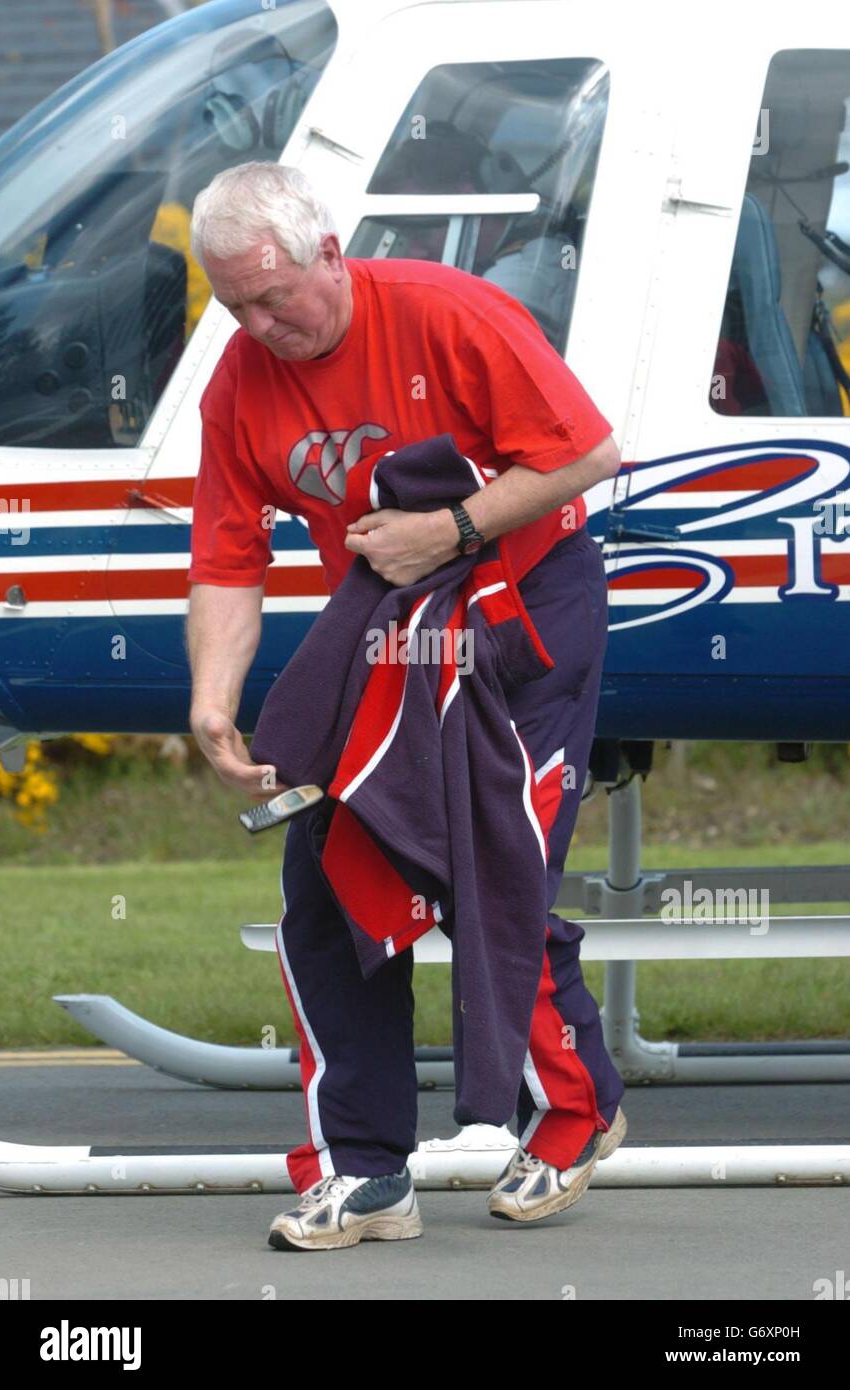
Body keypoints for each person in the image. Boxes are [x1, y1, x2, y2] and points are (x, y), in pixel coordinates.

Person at [185, 161, 627, 1252]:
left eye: (270, 294)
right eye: (230, 303)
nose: (255, 322)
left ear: (329, 254)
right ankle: (361, 1169)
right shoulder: (238, 382)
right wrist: (211, 700)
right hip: (384, 622)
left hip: (523, 603)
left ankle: (573, 1109)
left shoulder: (447, 310)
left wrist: (455, 530)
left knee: (487, 862)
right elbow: (226, 560)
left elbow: (585, 452)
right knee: (329, 879)